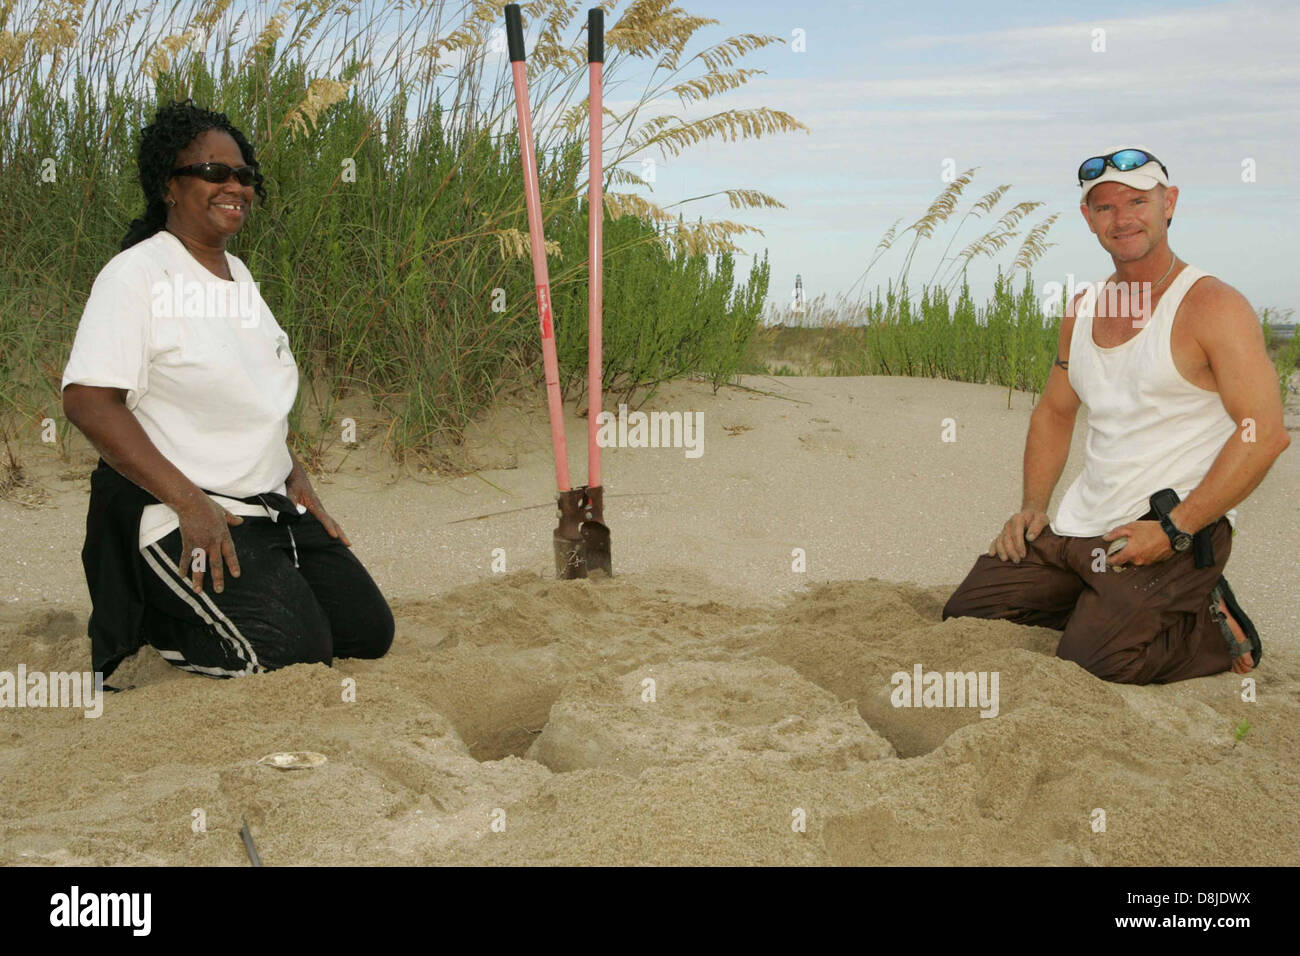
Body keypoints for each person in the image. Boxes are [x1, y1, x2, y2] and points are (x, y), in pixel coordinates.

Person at [62, 99, 393, 682]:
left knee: (366, 634)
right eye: (214, 173)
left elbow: (245, 391)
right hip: (177, 512)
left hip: (263, 505)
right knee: (288, 652)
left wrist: (291, 470)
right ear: (169, 185)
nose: (234, 185)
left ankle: (239, 593)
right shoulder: (137, 276)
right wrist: (191, 503)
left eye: (244, 175)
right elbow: (88, 400)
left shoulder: (239, 278)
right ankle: (151, 621)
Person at [942, 146, 1289, 684]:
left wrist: (1175, 528)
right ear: (1089, 219)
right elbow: (1055, 412)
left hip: (1165, 528)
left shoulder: (1213, 305)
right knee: (969, 611)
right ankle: (1116, 603)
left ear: (1168, 203)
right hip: (1083, 525)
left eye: (1137, 201)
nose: (1122, 218)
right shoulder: (1081, 309)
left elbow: (1264, 433)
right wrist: (1033, 507)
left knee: (1095, 664)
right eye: (1104, 207)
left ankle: (1206, 626)